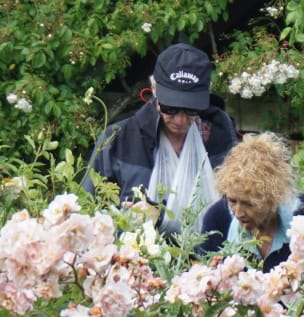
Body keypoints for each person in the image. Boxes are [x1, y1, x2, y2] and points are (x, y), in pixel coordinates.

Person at [83, 43, 238, 233]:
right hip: (133, 259)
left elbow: (240, 216)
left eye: (191, 110)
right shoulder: (117, 141)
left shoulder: (225, 144)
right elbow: (87, 211)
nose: (180, 120)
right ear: (154, 89)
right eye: (169, 108)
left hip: (209, 259)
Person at [196, 132, 304, 271]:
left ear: (273, 199)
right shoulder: (217, 219)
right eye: (232, 201)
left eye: (248, 204)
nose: (238, 212)